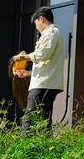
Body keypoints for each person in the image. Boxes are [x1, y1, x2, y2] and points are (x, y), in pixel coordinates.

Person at [11, 7, 65, 135]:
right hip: (47, 83)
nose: (36, 28)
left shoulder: (51, 33)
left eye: (36, 24)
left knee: (28, 121)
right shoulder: (51, 34)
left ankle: (24, 152)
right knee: (43, 122)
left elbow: (42, 54)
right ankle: (44, 150)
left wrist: (21, 57)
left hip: (42, 85)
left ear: (41, 19)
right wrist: (28, 73)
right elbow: (47, 63)